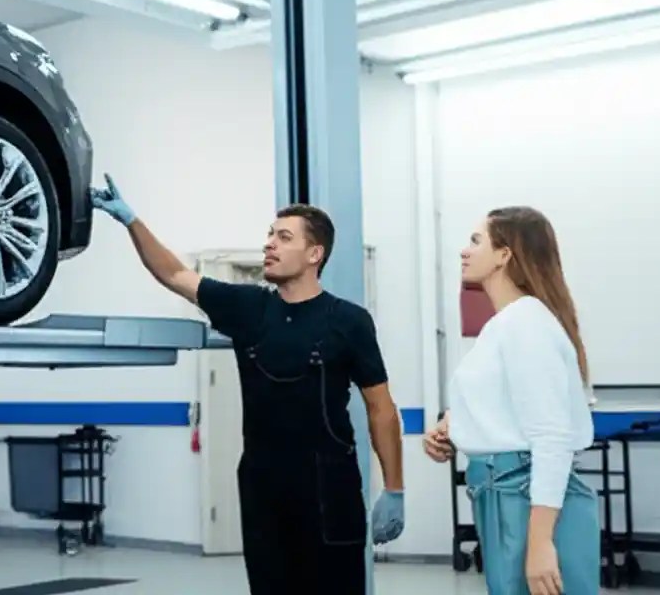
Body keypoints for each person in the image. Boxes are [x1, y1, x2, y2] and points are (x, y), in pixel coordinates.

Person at [90, 174, 405, 595]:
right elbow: (174, 274)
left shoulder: (349, 321)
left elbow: (380, 408)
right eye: (269, 235)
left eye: (283, 237)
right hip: (263, 489)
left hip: (330, 492)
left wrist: (395, 488)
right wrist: (131, 221)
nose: (269, 244)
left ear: (315, 253)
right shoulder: (247, 307)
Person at [423, 206, 599, 595]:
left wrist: (539, 544)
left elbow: (552, 436)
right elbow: (507, 405)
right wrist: (454, 425)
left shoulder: (525, 323)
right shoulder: (507, 324)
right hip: (503, 491)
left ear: (505, 255)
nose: (464, 251)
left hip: (522, 495)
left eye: (475, 241)